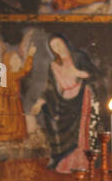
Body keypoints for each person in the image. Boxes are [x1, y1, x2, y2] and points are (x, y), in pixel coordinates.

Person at [32, 33, 95, 173]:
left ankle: (78, 159)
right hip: (63, 100)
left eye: (59, 44)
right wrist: (40, 102)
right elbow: (49, 87)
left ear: (65, 42)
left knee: (81, 131)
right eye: (54, 47)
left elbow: (94, 74)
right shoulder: (54, 65)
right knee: (49, 114)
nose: (58, 48)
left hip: (81, 97)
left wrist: (77, 73)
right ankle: (58, 157)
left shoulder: (78, 57)